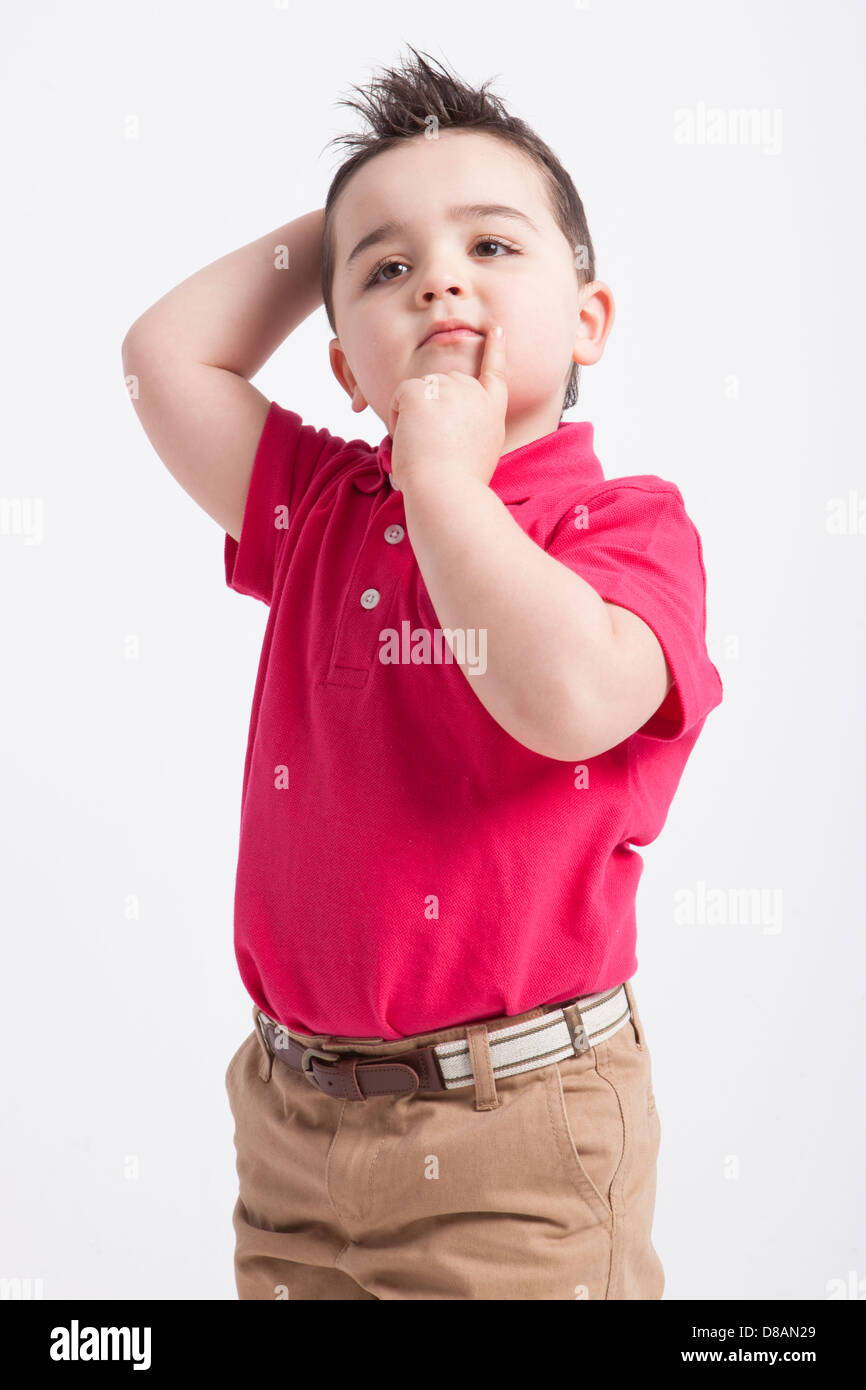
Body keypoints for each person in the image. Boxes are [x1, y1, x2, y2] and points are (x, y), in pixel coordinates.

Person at [121, 45, 723, 1300]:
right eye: (390, 271)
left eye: (493, 247)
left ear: (589, 321)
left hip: (514, 1135)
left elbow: (559, 700)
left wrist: (446, 478)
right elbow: (162, 360)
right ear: (347, 364)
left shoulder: (621, 527)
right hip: (293, 1121)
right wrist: (347, 215)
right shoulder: (324, 506)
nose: (439, 276)